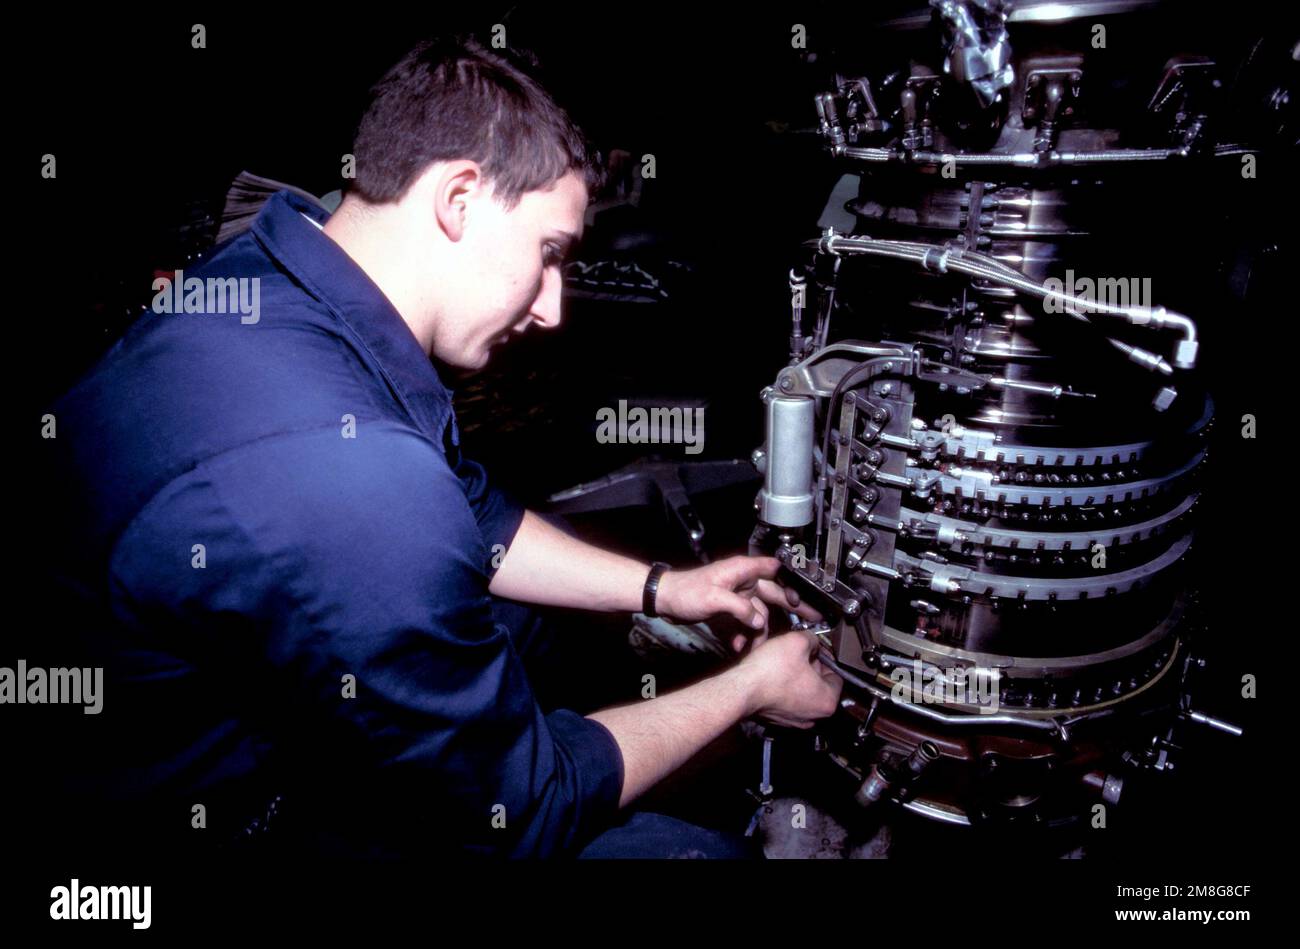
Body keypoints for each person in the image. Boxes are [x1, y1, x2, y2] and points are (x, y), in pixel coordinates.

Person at [32, 34, 841, 860]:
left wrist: (664, 587)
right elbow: (524, 808)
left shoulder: (280, 268)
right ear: (459, 198)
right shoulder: (353, 475)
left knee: (532, 627)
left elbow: (471, 510)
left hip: (179, 706)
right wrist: (747, 690)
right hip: (188, 823)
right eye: (549, 253)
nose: (553, 307)